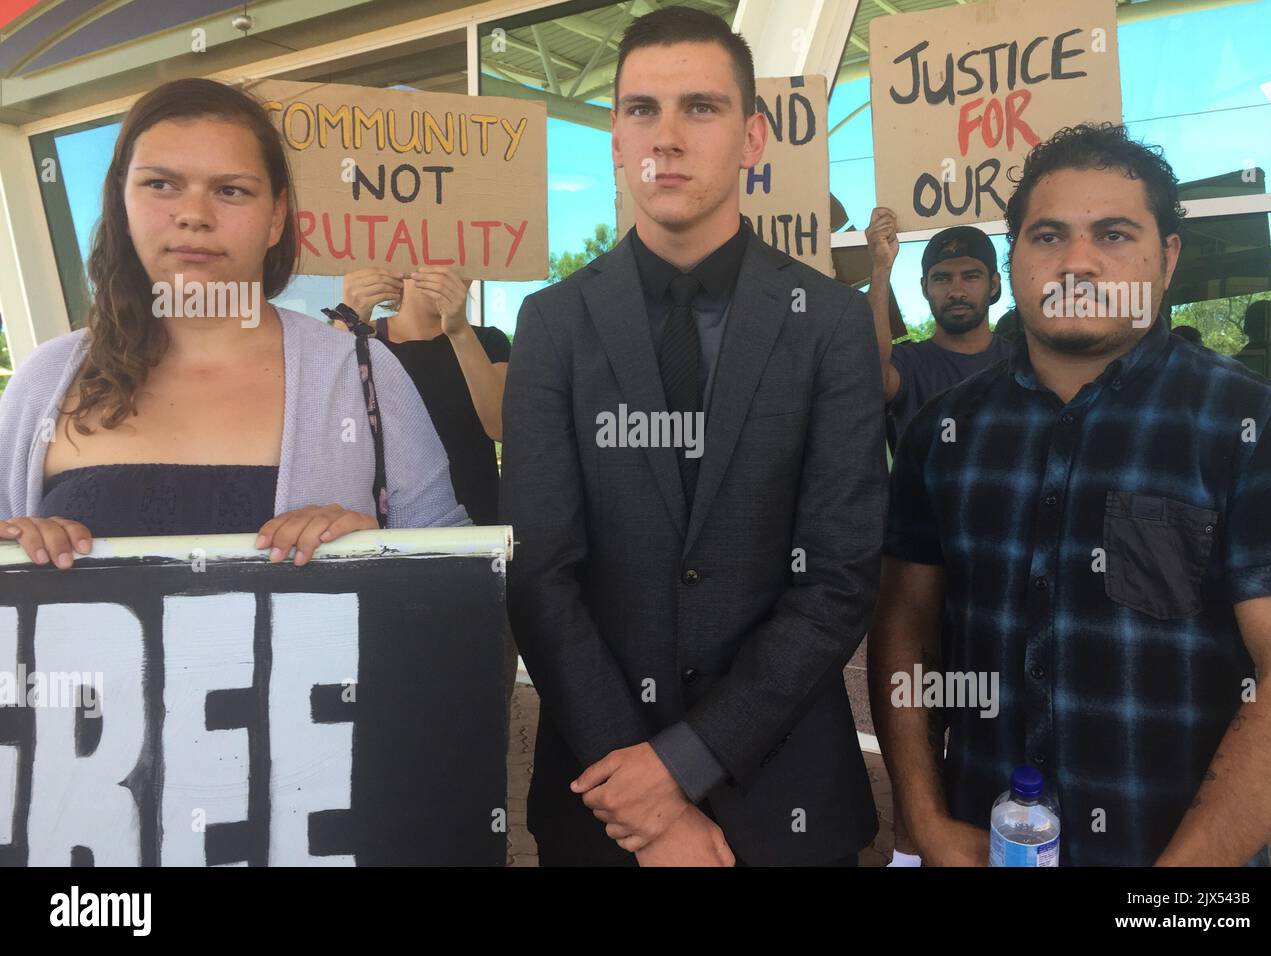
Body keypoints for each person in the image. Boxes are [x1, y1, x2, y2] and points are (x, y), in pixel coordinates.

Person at [500, 5, 886, 867]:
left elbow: (839, 574)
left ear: (753, 138)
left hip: (787, 801)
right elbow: (538, 571)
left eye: (699, 109)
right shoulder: (552, 323)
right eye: (642, 109)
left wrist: (686, 763)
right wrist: (654, 805)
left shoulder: (827, 322)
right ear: (613, 138)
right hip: (602, 807)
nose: (665, 137)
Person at [869, 122, 1271, 866]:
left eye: (1113, 234)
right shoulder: (944, 433)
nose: (1077, 262)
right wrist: (922, 818)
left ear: (1165, 258)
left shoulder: (1252, 425)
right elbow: (906, 627)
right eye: (1047, 237)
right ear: (1016, 259)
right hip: (980, 843)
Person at [0, 78, 466, 569]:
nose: (194, 215)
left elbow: (460, 569)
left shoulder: (359, 372)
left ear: (276, 217)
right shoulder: (46, 381)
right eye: (160, 184)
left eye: (231, 190)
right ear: (120, 202)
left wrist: (383, 553)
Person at [339, 267, 509, 525]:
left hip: (477, 531)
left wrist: (460, 331)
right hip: (379, 532)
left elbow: (501, 426)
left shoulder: (488, 341)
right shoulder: (360, 340)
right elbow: (322, 419)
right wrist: (345, 321)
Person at [866, 209, 1015, 448]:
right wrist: (881, 266)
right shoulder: (910, 364)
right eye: (942, 278)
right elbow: (872, 380)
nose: (956, 291)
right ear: (925, 287)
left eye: (971, 276)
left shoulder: (1023, 362)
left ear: (994, 284)